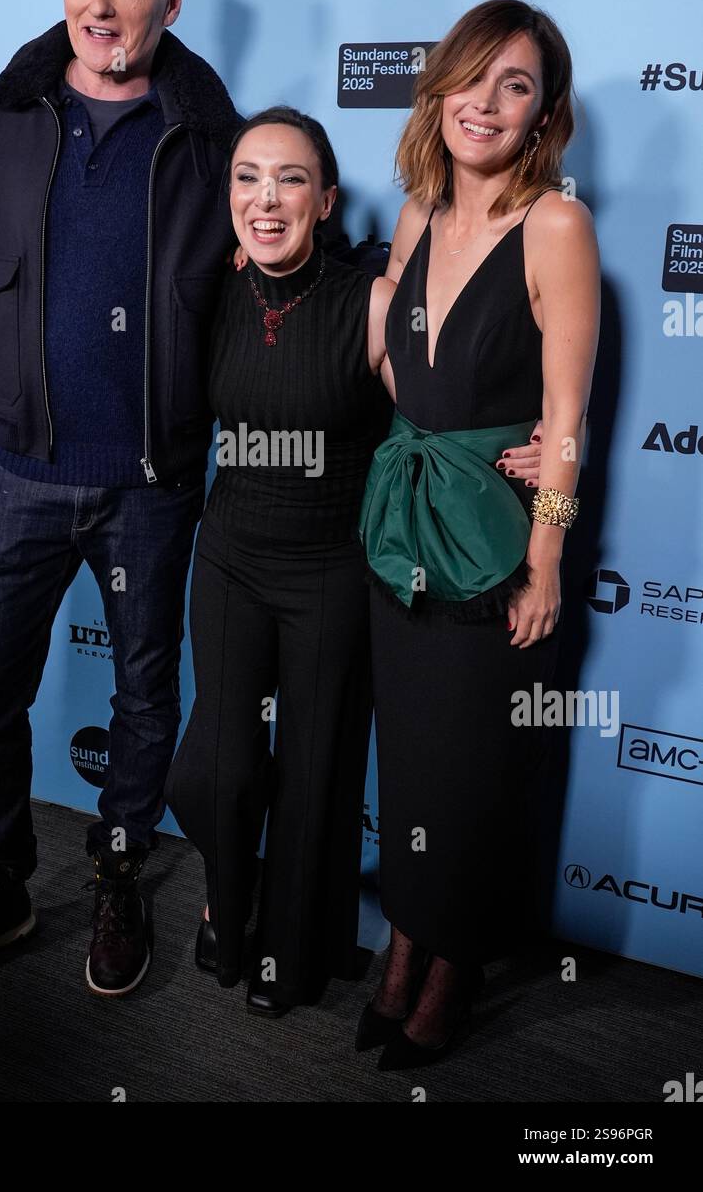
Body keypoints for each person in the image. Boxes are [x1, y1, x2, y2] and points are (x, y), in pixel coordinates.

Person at [0, 0, 240, 996]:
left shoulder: (207, 128)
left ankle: (119, 877)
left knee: (146, 694)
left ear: (170, 2)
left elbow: (268, 264)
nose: (100, 1)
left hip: (150, 480)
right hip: (21, 470)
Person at [163, 107, 544, 1015]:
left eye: (290, 178)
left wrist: (537, 442)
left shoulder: (368, 302)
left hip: (333, 567)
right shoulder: (211, 290)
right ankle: (228, 888)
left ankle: (293, 958)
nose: (266, 198)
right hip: (227, 556)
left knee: (316, 773)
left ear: (325, 199)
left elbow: (440, 409)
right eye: (248, 177)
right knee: (213, 768)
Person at [356, 0, 600, 1068]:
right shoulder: (414, 215)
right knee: (409, 769)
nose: (487, 103)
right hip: (400, 529)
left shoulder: (555, 224)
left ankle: (448, 966)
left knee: (470, 772)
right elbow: (397, 374)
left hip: (495, 549)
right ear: (440, 88)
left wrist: (543, 556)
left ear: (542, 114)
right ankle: (403, 945)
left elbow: (568, 415)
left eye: (517, 86)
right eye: (473, 77)